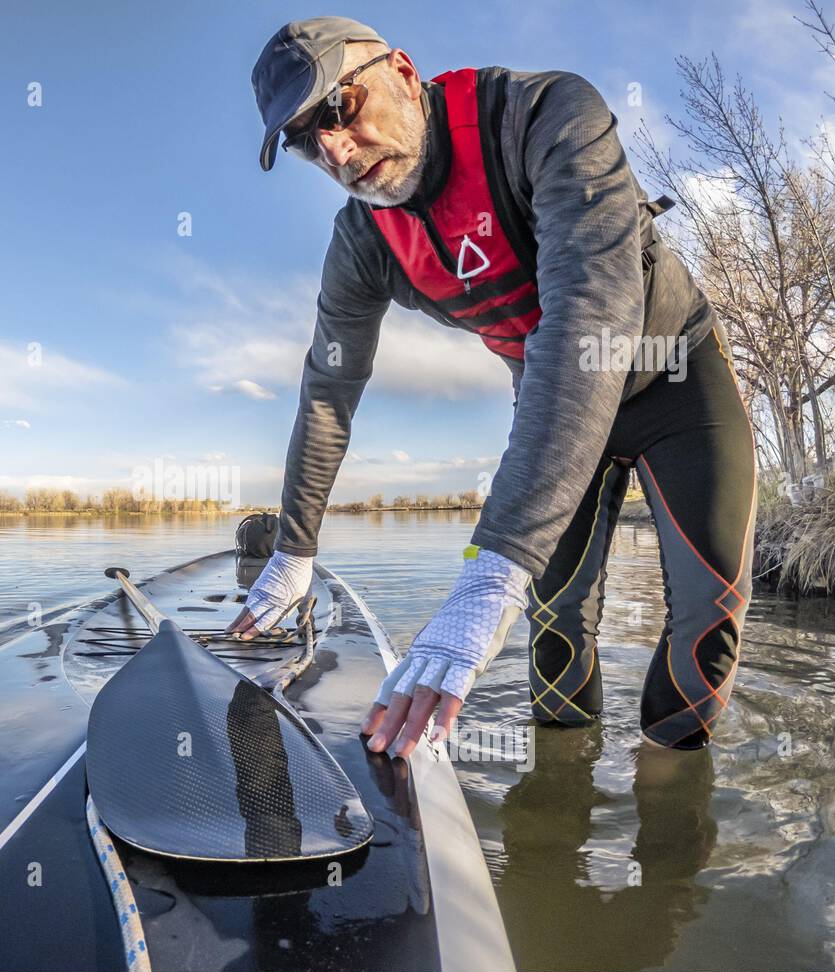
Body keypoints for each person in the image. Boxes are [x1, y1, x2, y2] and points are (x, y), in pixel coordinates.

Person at [229, 17, 757, 757]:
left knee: (708, 617)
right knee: (556, 627)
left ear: (404, 72)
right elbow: (328, 389)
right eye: (305, 141)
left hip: (676, 381)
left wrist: (490, 570)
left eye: (340, 108)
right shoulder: (363, 244)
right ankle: (560, 820)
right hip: (552, 408)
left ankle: (668, 817)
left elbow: (585, 319)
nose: (337, 152)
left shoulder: (546, 117)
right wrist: (293, 548)